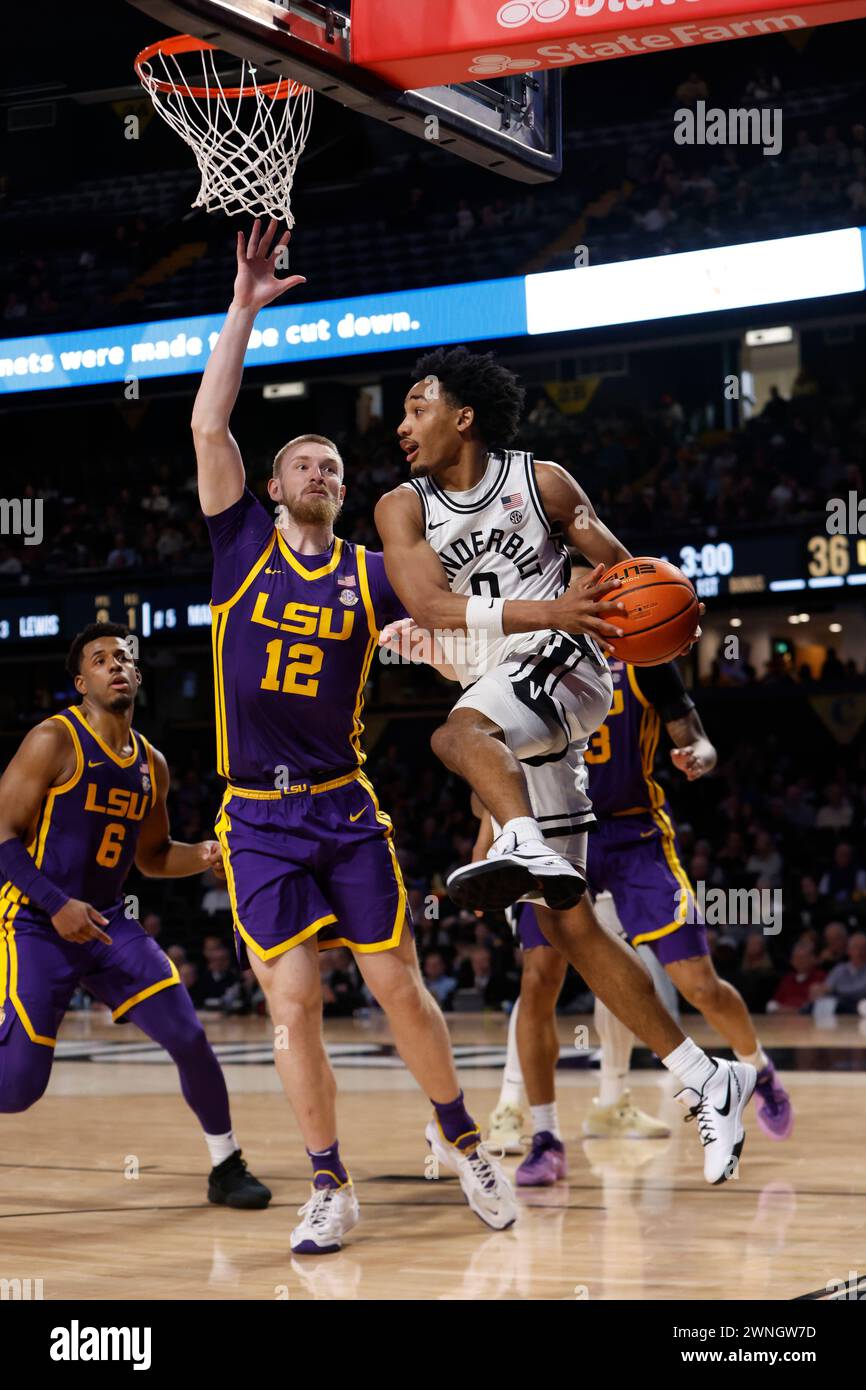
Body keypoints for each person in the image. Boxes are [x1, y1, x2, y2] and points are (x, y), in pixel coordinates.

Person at [190, 218, 516, 1255]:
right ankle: (327, 1183)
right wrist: (241, 310)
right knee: (291, 1008)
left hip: (342, 804)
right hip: (257, 817)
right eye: (303, 461)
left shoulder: (372, 574)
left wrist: (448, 650)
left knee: (393, 983)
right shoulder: (237, 541)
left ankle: (464, 1141)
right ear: (274, 486)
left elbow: (446, 629)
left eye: (332, 462)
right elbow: (208, 427)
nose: (322, 470)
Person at [484, 657, 793, 1183]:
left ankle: (758, 1068)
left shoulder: (646, 656)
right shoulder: (535, 647)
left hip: (633, 834)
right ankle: (545, 1135)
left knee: (699, 984)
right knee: (538, 980)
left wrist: (697, 755)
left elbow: (698, 738)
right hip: (555, 830)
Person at [0, 624, 269, 1210]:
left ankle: (226, 1166)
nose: (114, 665)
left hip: (105, 923)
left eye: (122, 658)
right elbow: (2, 839)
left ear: (137, 675)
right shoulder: (53, 740)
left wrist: (204, 856)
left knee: (188, 1034)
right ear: (82, 682)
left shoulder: (153, 764)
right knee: (18, 1089)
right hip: (34, 920)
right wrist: (55, 903)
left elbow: (151, 857)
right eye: (100, 660)